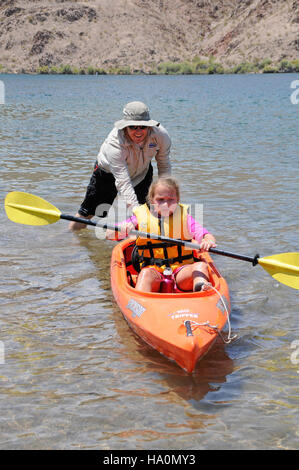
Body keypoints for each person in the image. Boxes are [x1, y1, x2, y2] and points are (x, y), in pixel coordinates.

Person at [69, 101, 171, 230]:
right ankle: (71, 239)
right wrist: (137, 212)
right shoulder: (114, 142)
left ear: (149, 126)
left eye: (142, 127)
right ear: (125, 126)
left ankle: (147, 240)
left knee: (149, 209)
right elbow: (123, 182)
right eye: (133, 127)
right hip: (108, 174)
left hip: (142, 172)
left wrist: (166, 194)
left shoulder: (161, 135)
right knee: (89, 213)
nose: (138, 131)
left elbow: (164, 166)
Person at [106, 177, 217, 293]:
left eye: (171, 200)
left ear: (177, 199)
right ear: (152, 200)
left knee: (201, 267)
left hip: (181, 271)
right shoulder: (139, 218)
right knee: (145, 274)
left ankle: (201, 290)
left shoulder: (186, 219)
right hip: (154, 273)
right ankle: (141, 302)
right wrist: (122, 230)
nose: (165, 204)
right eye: (160, 199)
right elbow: (109, 234)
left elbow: (205, 234)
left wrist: (208, 240)